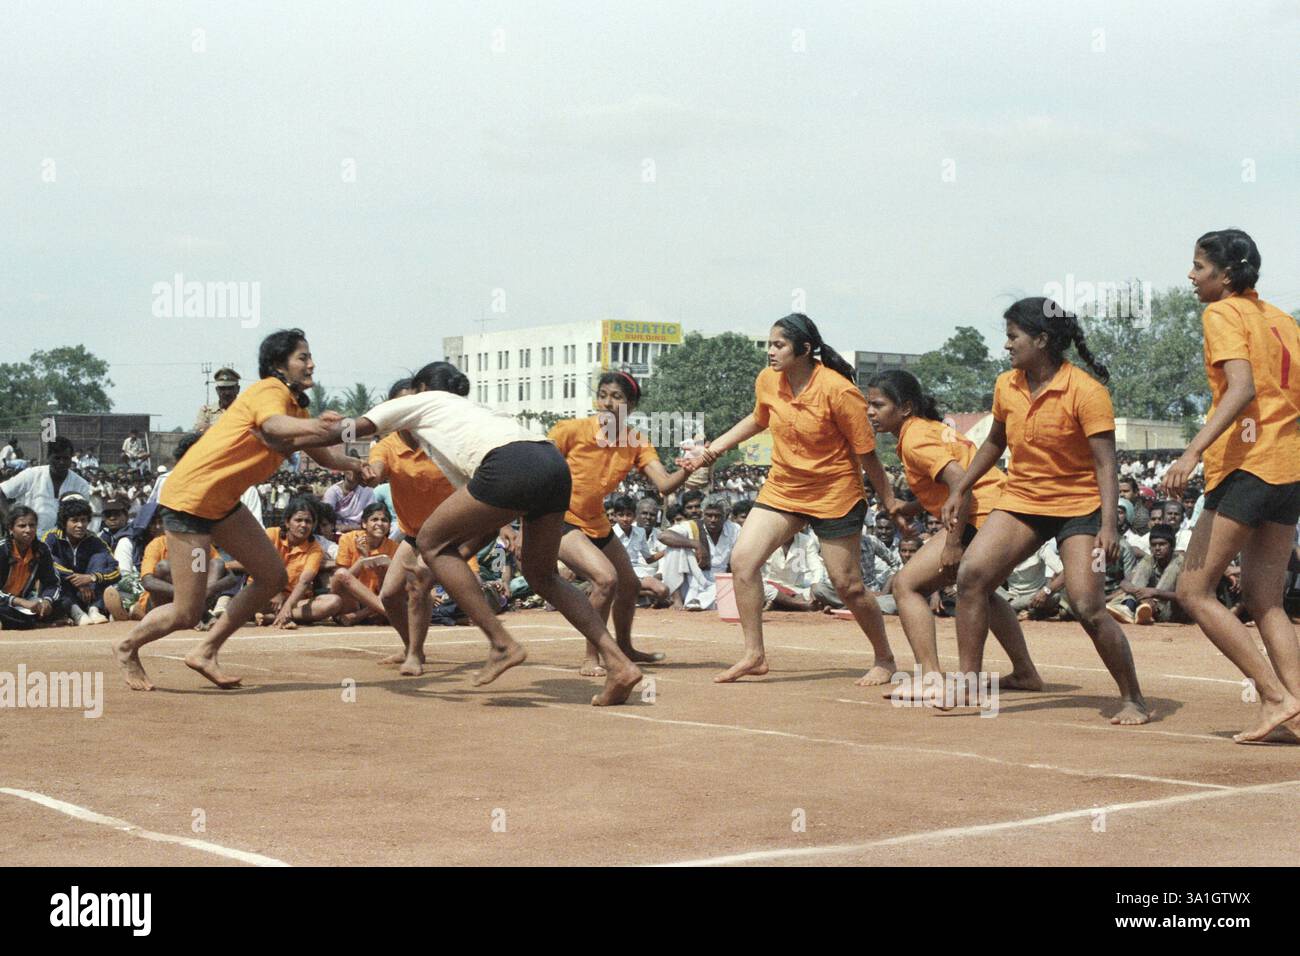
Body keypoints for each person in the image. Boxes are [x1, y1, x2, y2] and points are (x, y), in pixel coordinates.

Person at [282, 360, 645, 706]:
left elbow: (348, 430)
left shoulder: (420, 401)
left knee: (427, 540)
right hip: (549, 464)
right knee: (542, 575)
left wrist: (296, 428)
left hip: (512, 464)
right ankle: (619, 664)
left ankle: (501, 643)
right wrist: (449, 557)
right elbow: (486, 520)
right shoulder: (468, 424)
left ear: (421, 389)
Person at [112, 328, 365, 691]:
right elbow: (273, 425)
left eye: (310, 357)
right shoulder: (269, 393)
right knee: (187, 611)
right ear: (279, 365)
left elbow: (323, 452)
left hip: (222, 505)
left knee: (272, 576)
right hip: (189, 503)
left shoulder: (297, 407)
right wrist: (319, 426)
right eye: (303, 357)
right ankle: (126, 645)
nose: (311, 364)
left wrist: (357, 466)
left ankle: (206, 650)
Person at [943, 298, 1148, 724]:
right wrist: (961, 487)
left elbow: (1106, 464)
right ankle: (967, 685)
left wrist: (1109, 526)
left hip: (1081, 510)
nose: (1006, 345)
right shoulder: (1006, 385)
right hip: (1022, 501)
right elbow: (995, 442)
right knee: (971, 576)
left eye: (1013, 336)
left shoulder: (1087, 392)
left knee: (1087, 606)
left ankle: (1133, 699)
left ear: (1041, 339)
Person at [688, 313, 907, 685]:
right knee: (742, 561)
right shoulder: (768, 380)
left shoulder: (838, 391)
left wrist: (889, 500)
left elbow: (867, 453)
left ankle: (885, 658)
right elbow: (757, 419)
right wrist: (712, 449)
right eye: (769, 344)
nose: (770, 352)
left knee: (848, 585)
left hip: (835, 493)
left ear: (804, 350)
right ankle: (754, 655)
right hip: (784, 488)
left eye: (779, 345)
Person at [1162, 229, 1300, 743]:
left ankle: (1274, 697)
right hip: (1288, 467)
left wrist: (1192, 450)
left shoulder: (1221, 313)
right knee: (1267, 601)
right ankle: (1297, 708)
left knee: (1193, 591)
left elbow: (1240, 388)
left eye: (1199, 267)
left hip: (1246, 467)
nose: (1192, 276)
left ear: (1226, 275)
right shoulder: (1282, 319)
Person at [866, 370, 1042, 700]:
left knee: (907, 585)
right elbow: (949, 483)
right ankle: (1025, 672)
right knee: (984, 591)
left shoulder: (915, 438)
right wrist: (913, 508)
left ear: (904, 408)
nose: (871, 412)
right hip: (999, 508)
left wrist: (952, 543)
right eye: (869, 405)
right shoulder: (927, 430)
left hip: (981, 513)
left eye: (878, 405)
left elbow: (962, 482)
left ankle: (931, 677)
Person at [548, 371, 690, 673]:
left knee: (628, 584)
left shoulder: (636, 442)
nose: (608, 403)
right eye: (603, 395)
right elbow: (535, 468)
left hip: (596, 522)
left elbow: (664, 485)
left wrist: (690, 468)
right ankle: (592, 657)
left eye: (617, 397)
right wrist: (521, 525)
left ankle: (624, 646)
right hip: (559, 519)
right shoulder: (570, 430)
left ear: (632, 406)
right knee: (605, 580)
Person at [310, 501, 399, 625]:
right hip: (351, 601)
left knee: (404, 584)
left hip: (376, 600)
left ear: (389, 525)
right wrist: (362, 557)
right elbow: (340, 580)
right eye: (374, 519)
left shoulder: (394, 547)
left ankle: (358, 616)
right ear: (364, 523)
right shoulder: (348, 539)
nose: (379, 524)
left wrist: (381, 575)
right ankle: (388, 612)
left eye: (384, 520)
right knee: (341, 573)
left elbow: (390, 587)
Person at [42, 495, 121, 626]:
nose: (80, 525)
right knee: (53, 562)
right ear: (64, 522)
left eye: (84, 520)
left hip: (90, 591)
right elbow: (46, 564)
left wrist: (92, 578)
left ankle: (94, 609)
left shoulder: (95, 540)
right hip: (64, 592)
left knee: (99, 558)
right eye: (74, 521)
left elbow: (116, 571)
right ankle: (76, 612)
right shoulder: (51, 538)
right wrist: (76, 579)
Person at [657, 495, 741, 610]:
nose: (712, 520)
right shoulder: (692, 526)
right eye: (709, 515)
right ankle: (676, 600)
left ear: (726, 516)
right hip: (693, 581)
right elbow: (663, 536)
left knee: (733, 589)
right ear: (703, 514)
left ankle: (699, 602)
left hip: (720, 583)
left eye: (717, 516)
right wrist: (696, 544)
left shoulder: (734, 530)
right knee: (673, 547)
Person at [0, 437, 92, 537]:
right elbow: (2, 491)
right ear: (48, 457)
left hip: (63, 544)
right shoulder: (31, 475)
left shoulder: (81, 484)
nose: (61, 462)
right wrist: (9, 519)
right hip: (29, 539)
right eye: (57, 458)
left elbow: (84, 516)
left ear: (71, 458)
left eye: (66, 458)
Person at [0, 506, 62, 629]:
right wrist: (19, 601)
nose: (28, 530)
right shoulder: (2, 550)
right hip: (7, 602)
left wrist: (47, 601)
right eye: (22, 526)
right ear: (11, 529)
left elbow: (52, 583)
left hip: (24, 604)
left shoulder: (41, 550)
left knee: (60, 603)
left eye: (32, 525)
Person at [1108, 526, 1185, 624]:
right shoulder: (1149, 560)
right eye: (1154, 545)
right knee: (1147, 561)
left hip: (1172, 611)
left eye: (1162, 544)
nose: (1157, 548)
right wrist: (1139, 592)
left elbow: (1186, 597)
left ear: (1172, 546)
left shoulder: (1181, 563)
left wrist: (1155, 592)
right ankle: (1129, 607)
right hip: (1146, 603)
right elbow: (1124, 583)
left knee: (1175, 564)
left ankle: (1146, 609)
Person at [611, 495, 670, 607]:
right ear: (615, 516)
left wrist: (666, 551)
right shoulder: (610, 533)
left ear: (634, 516)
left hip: (637, 572)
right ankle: (637, 593)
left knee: (663, 591)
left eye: (629, 515)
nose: (625, 519)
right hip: (617, 573)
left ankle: (627, 592)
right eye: (621, 515)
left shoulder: (640, 532)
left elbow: (649, 559)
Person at [322, 465, 377, 533]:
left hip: (362, 530)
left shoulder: (367, 491)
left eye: (356, 469)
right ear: (343, 471)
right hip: (337, 531)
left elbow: (372, 515)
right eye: (350, 469)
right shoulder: (333, 492)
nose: (353, 472)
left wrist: (351, 527)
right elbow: (325, 519)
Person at [194, 367, 241, 433]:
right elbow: (199, 430)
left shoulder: (247, 411)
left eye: (230, 388)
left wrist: (210, 427)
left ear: (238, 389)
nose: (227, 393)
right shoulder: (206, 412)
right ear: (217, 390)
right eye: (223, 388)